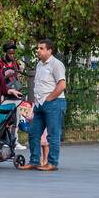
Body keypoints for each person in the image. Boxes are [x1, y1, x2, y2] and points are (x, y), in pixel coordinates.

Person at [21, 39, 66, 172]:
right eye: (37, 48)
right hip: (39, 104)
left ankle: (52, 162)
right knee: (33, 132)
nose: (38, 51)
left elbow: (62, 85)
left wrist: (49, 99)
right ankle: (34, 161)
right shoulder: (39, 65)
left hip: (54, 103)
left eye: (41, 48)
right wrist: (36, 103)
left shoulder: (56, 64)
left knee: (53, 134)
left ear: (49, 50)